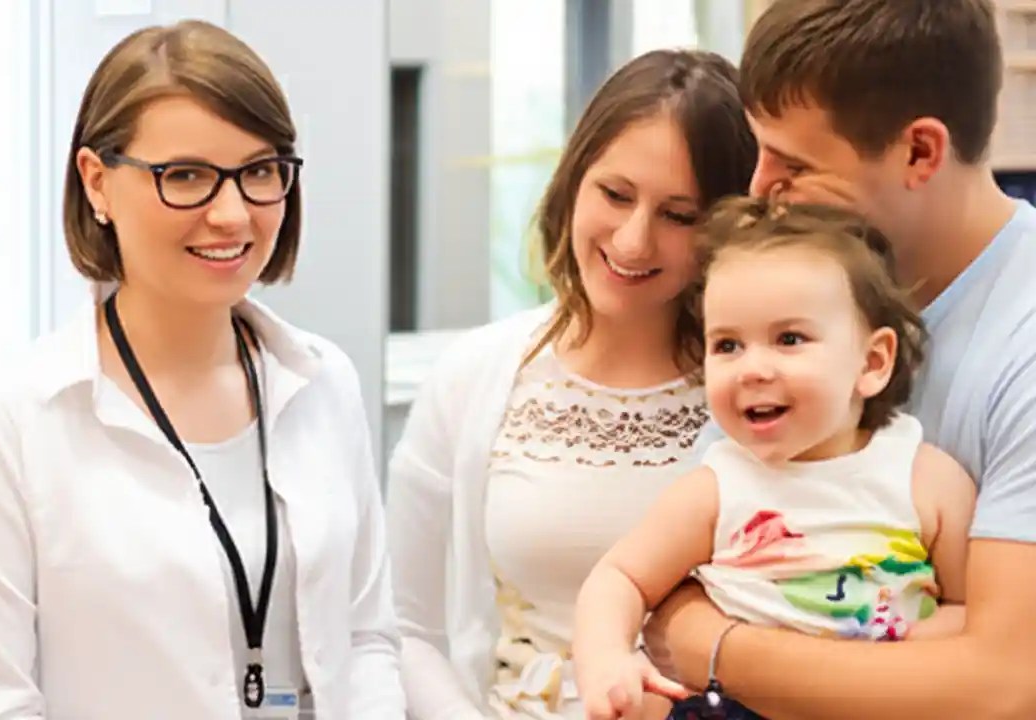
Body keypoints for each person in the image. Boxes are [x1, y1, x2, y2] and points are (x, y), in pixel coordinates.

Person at [0, 21, 404, 719]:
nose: (232, 214)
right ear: (97, 183)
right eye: (186, 176)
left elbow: (365, 638)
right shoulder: (4, 421)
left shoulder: (323, 382)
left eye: (259, 172)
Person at [637, 2, 1036, 718]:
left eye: (793, 164)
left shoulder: (1022, 345)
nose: (759, 187)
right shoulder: (786, 294)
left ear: (920, 152)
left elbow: (1004, 684)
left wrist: (720, 649)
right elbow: (675, 580)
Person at [385, 49, 757, 720]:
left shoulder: (761, 394)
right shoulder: (475, 376)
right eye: (615, 195)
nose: (634, 241)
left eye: (679, 215)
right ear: (573, 179)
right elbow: (407, 626)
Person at [572, 198, 977, 720]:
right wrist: (607, 659)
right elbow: (621, 577)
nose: (753, 369)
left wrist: (915, 640)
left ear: (872, 362)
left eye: (789, 339)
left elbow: (977, 614)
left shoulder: (925, 478)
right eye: (727, 345)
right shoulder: (717, 487)